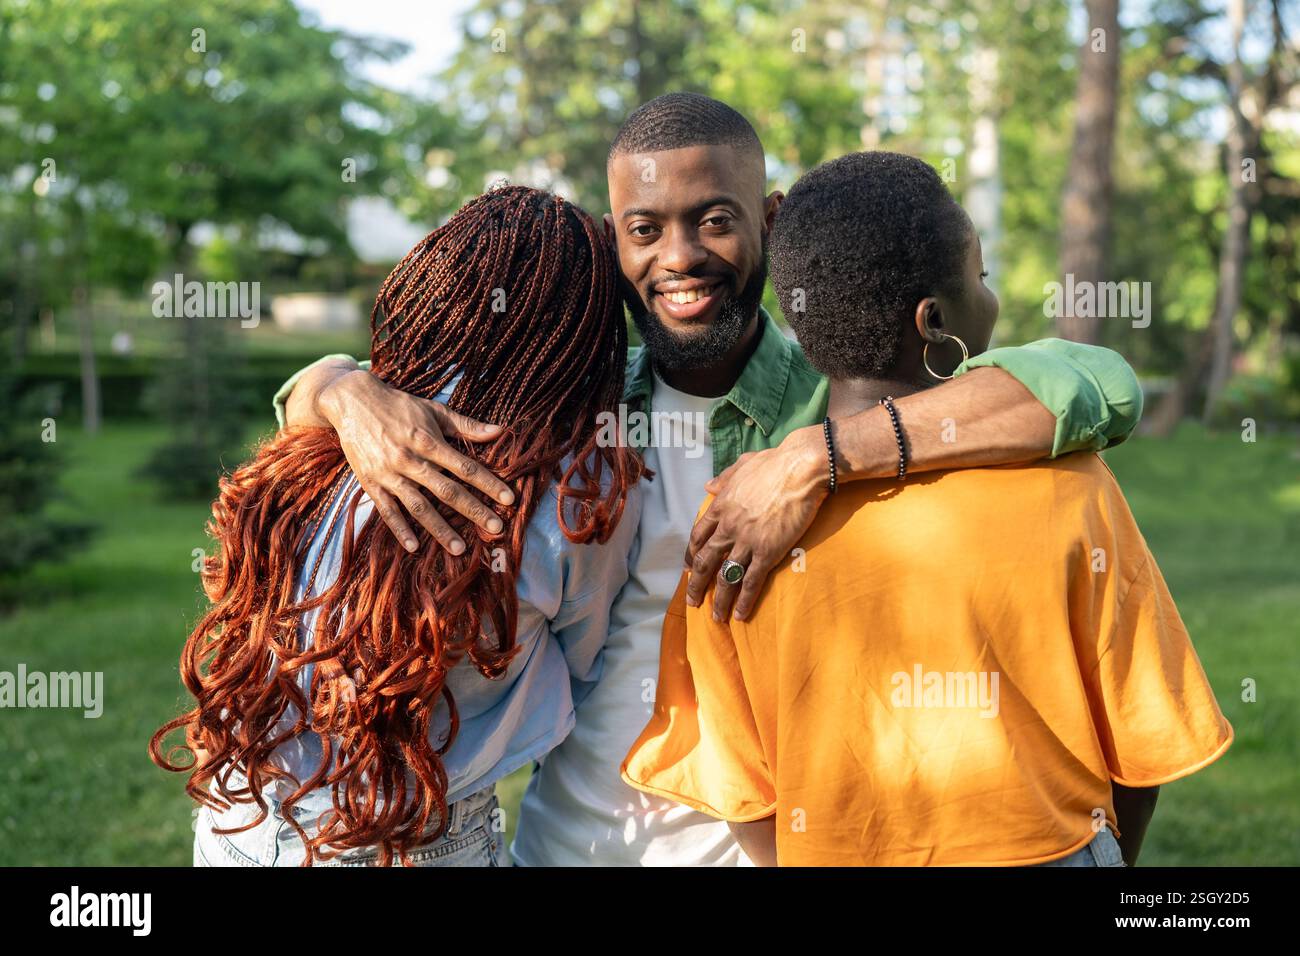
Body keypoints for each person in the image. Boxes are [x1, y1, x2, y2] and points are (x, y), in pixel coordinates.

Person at [272, 93, 1146, 866]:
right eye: (644, 230)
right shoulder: (565, 415)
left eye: (715, 219)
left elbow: (1097, 385)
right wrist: (340, 388)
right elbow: (315, 433)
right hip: (568, 848)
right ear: (616, 242)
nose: (679, 257)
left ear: (769, 218)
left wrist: (820, 454)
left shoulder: (838, 391)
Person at [621, 151, 1233, 866]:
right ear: (934, 320)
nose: (991, 297)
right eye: (980, 276)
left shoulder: (736, 525)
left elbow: (744, 795)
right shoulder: (1075, 489)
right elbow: (1141, 754)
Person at [150, 185, 644, 866]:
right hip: (408, 839)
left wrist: (337, 382)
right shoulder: (569, 492)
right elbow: (589, 659)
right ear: (586, 330)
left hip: (239, 814)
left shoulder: (325, 437)